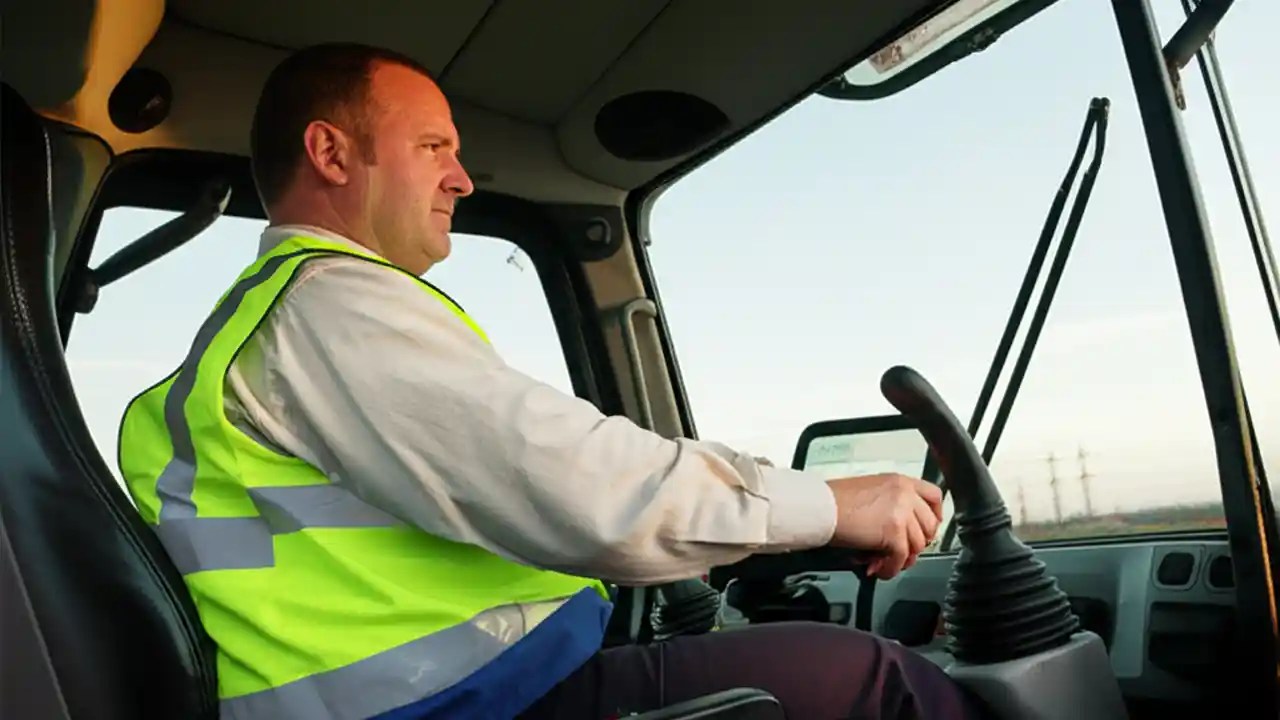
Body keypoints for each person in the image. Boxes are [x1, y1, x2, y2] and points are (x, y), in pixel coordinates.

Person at [117, 42, 983, 720]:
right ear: (331, 153)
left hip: (440, 699)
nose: (460, 176)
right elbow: (577, 485)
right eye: (432, 147)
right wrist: (831, 506)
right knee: (876, 683)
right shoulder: (329, 306)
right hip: (455, 708)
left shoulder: (273, 326)